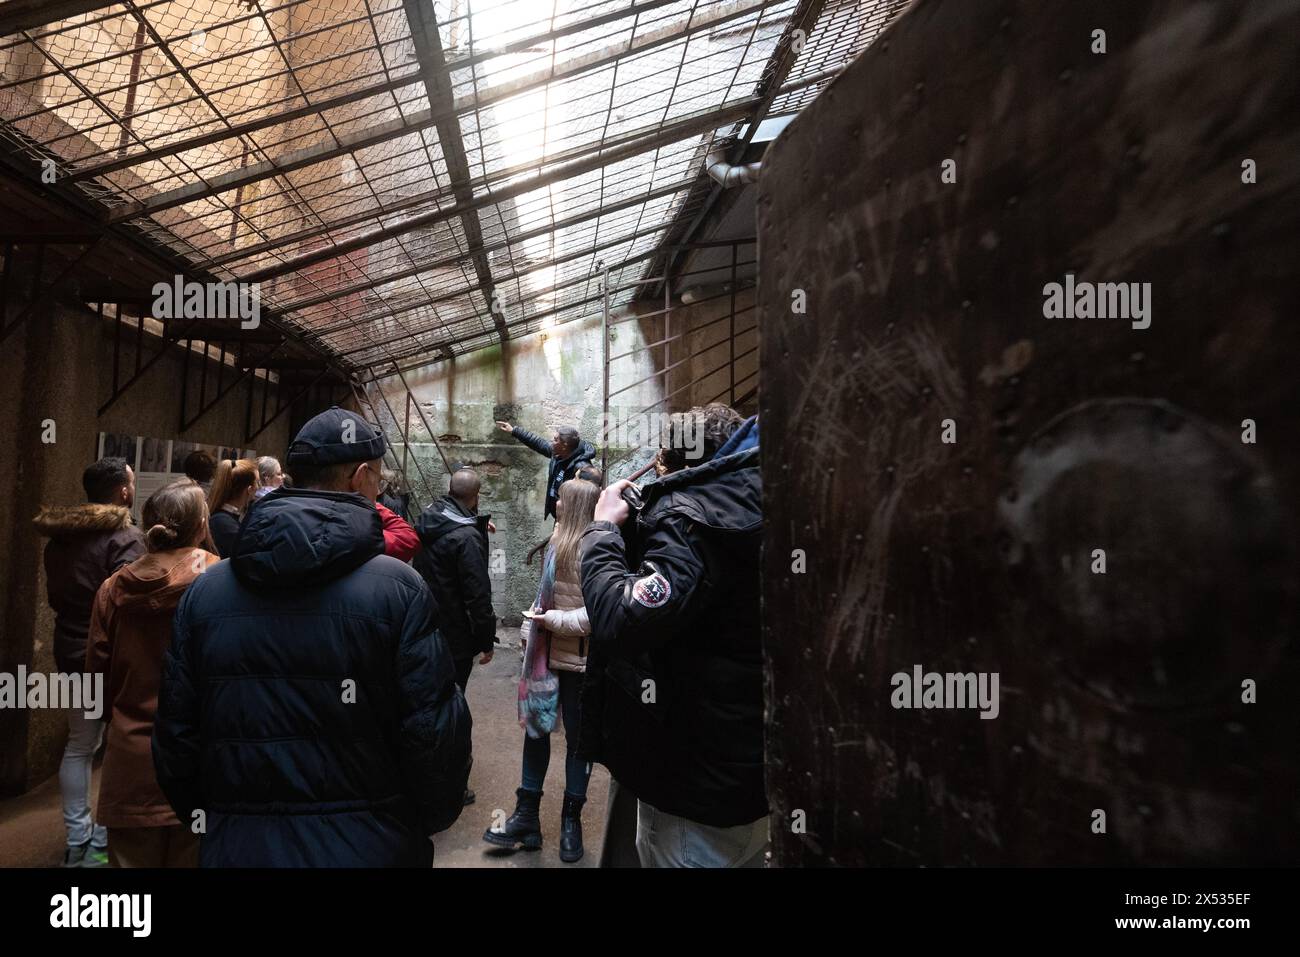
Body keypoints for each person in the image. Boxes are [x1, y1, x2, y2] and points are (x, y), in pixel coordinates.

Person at [153, 406, 471, 867]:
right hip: (372, 847)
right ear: (360, 477)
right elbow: (435, 737)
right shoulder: (398, 588)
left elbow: (176, 737)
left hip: (238, 849)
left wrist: (220, 822)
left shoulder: (208, 591)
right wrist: (410, 825)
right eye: (377, 478)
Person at [578, 404, 767, 868]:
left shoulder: (688, 522)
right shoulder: (761, 500)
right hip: (746, 778)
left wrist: (601, 530)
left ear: (676, 464)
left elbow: (621, 619)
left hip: (693, 795)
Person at [85, 480, 219, 868]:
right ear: (201, 526)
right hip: (200, 755)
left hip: (129, 763)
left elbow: (97, 681)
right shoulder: (220, 582)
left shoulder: (112, 589)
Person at [33, 456, 146, 867]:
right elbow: (129, 603)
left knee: (79, 746)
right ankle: (104, 833)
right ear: (122, 491)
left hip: (69, 650)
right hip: (114, 655)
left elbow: (56, 599)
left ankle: (77, 837)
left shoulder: (60, 541)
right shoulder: (126, 540)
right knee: (118, 745)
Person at [483, 478, 598, 862]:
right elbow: (541, 594)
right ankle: (527, 816)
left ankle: (571, 820)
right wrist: (531, 631)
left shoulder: (597, 547)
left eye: (561, 499)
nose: (556, 503)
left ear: (575, 505)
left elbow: (599, 615)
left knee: (579, 743)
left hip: (580, 661)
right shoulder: (556, 539)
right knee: (536, 730)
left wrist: (550, 622)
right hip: (545, 654)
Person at [495, 420, 595, 520]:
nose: (552, 442)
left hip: (570, 521)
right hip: (559, 516)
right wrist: (514, 430)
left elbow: (585, 503)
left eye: (556, 440)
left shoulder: (582, 469)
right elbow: (538, 443)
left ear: (564, 446)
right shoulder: (558, 454)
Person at [206, 458, 259, 557]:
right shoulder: (224, 523)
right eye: (257, 482)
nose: (259, 487)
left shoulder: (224, 518)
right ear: (249, 489)